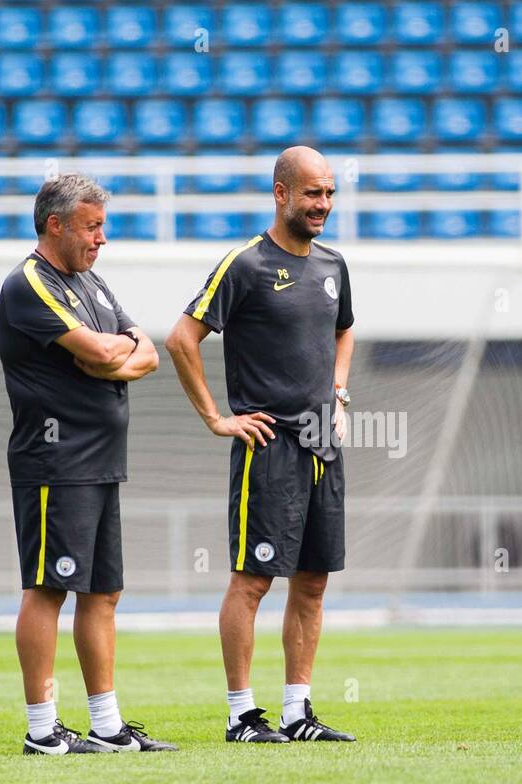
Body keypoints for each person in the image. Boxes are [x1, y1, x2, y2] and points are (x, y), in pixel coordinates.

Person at [165, 146, 357, 744]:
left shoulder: (333, 266)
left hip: (324, 444)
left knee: (314, 581)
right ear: (281, 194)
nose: (322, 204)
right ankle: (241, 715)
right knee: (253, 580)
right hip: (267, 446)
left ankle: (298, 712)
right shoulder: (244, 265)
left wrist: (340, 393)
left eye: (329, 193)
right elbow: (180, 338)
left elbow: (344, 328)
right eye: (312, 194)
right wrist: (217, 419)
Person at [0, 173, 176, 755]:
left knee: (102, 593)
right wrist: (110, 354)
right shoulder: (27, 283)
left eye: (103, 226)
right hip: (54, 461)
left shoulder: (93, 283)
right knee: (48, 588)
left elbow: (148, 351)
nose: (102, 239)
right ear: (56, 224)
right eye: (93, 226)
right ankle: (43, 730)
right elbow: (105, 349)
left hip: (100, 463)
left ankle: (106, 725)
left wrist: (112, 358)